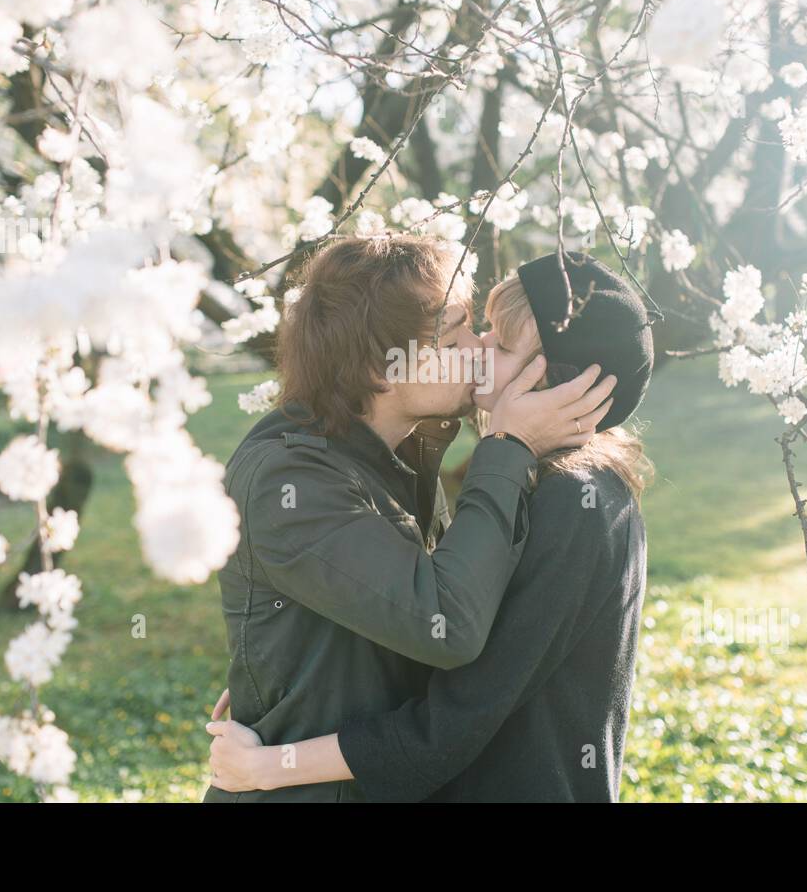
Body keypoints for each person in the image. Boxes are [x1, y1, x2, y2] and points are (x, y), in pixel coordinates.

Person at [207, 251, 655, 801]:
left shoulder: (568, 497)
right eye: (456, 336)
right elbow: (441, 621)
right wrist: (283, 668)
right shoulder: (306, 475)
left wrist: (275, 762)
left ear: (558, 379)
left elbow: (456, 694)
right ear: (381, 367)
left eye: (491, 335)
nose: (477, 351)